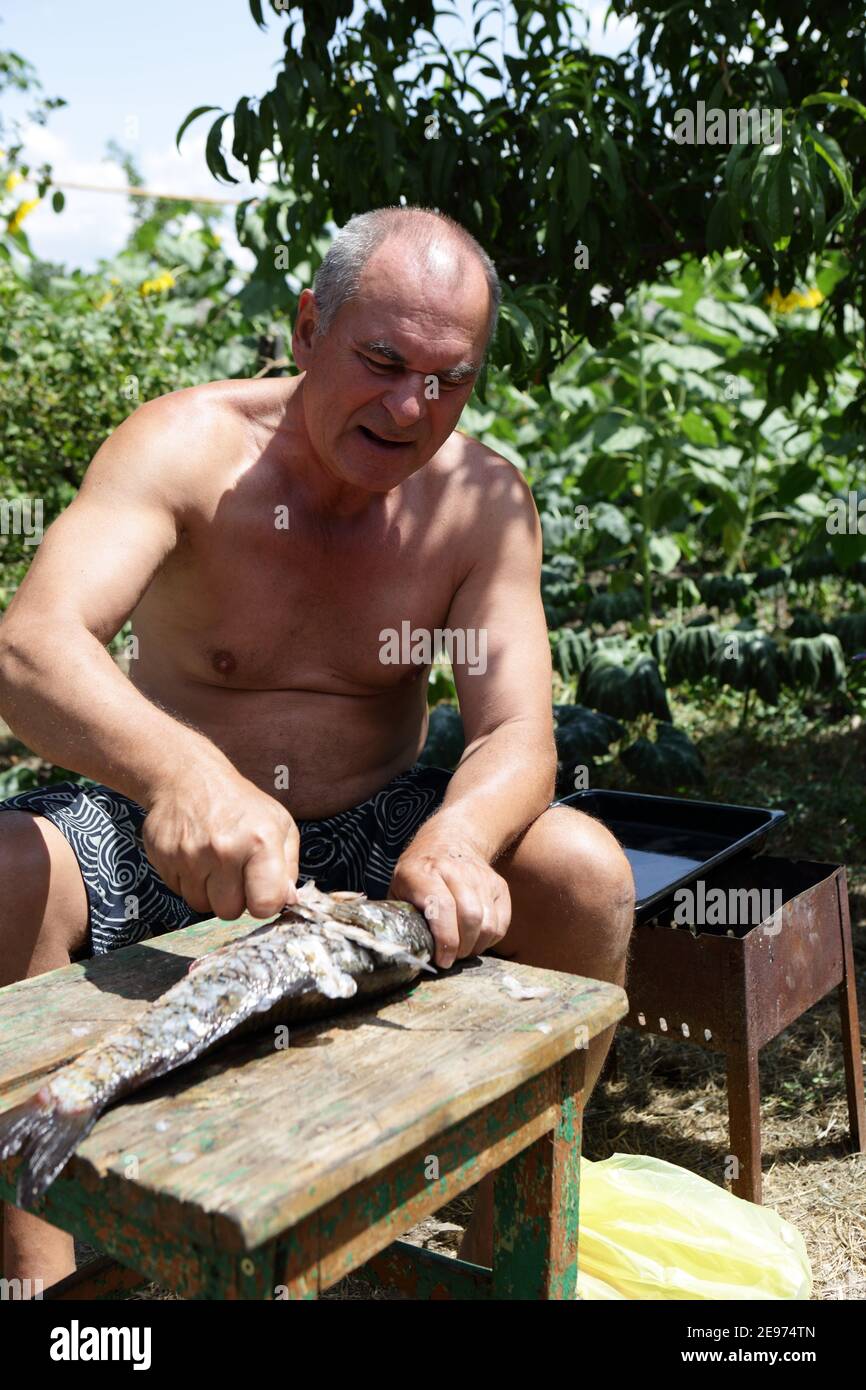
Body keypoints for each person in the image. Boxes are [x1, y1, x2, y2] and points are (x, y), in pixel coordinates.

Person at [0, 205, 634, 1287]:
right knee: (3, 873)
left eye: (447, 379)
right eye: (381, 360)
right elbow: (30, 647)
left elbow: (517, 730)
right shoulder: (184, 446)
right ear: (307, 328)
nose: (409, 407)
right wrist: (184, 772)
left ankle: (508, 1229)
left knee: (579, 870)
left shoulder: (479, 499)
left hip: (365, 845)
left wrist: (460, 837)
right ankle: (48, 1281)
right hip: (156, 834)